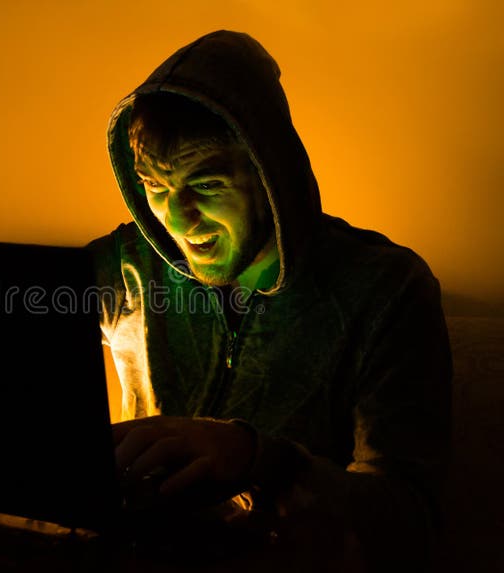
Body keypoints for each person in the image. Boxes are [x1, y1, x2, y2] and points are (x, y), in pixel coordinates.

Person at [87, 29, 452, 572]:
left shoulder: (384, 291)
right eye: (156, 189)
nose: (180, 220)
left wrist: (258, 458)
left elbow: (405, 521)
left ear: (269, 175)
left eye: (206, 186)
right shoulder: (129, 267)